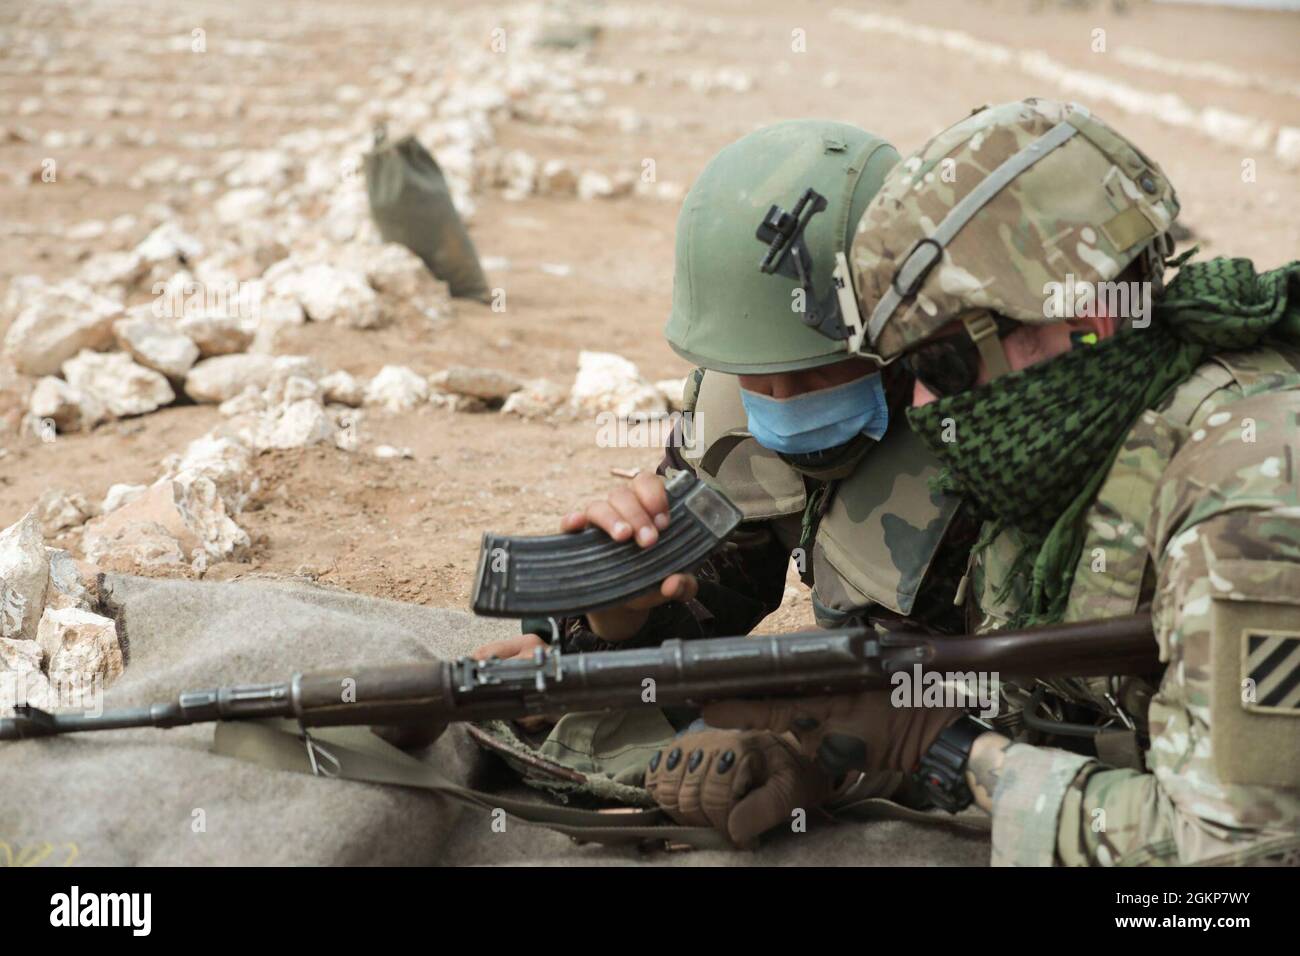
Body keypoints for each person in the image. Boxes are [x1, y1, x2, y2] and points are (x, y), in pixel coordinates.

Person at [661, 97, 1300, 864]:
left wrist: (941, 752)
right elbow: (1062, 724)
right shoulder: (1071, 460)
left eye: (942, 364)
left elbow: (1229, 871)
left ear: (1089, 318)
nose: (924, 407)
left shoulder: (1252, 488)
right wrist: (838, 754)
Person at [469, 120, 983, 835]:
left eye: (814, 364)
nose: (782, 397)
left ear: (898, 327)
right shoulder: (727, 410)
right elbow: (714, 601)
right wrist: (609, 625)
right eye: (757, 368)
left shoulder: (981, 437)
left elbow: (1019, 700)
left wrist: (819, 753)